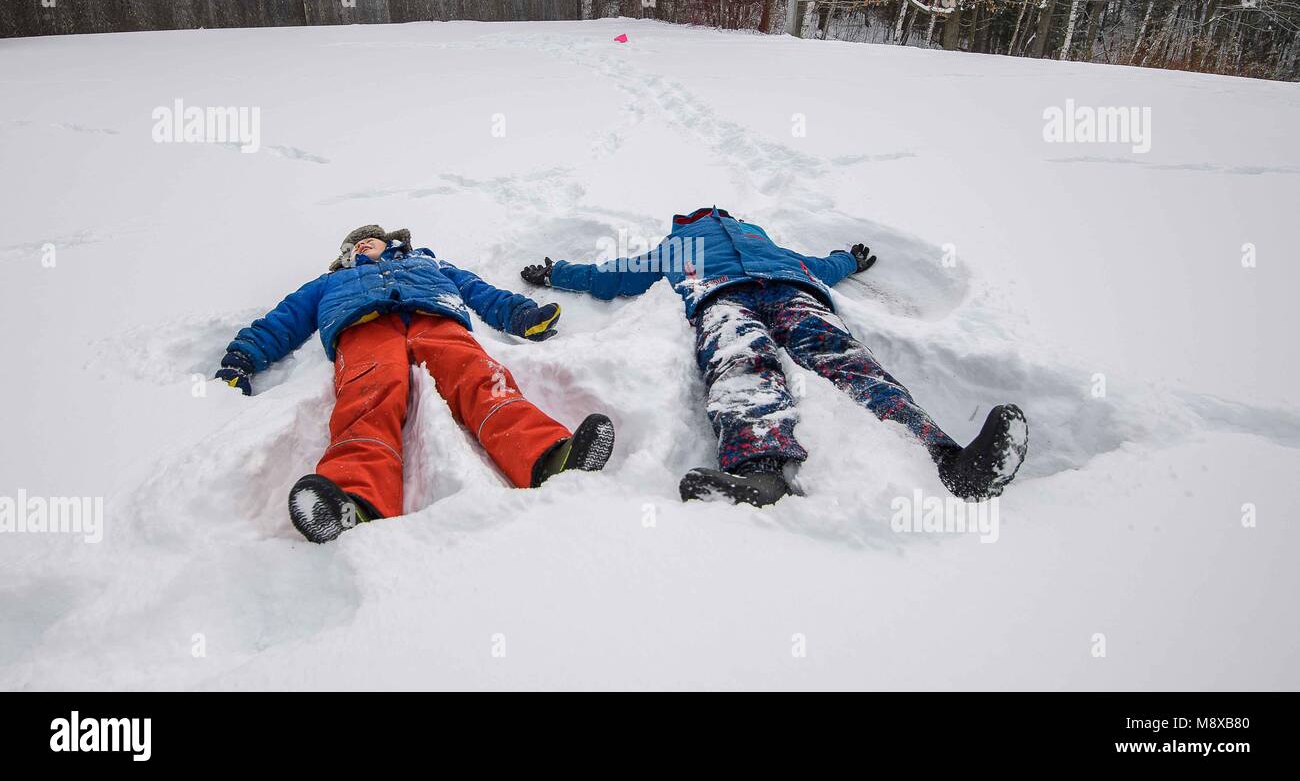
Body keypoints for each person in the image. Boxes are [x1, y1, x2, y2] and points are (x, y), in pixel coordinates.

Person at [521, 207, 1024, 508]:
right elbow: (616, 273)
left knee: (852, 362)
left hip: (792, 289)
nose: (716, 221)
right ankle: (759, 470)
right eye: (702, 220)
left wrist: (849, 259)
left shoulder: (762, 240)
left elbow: (815, 265)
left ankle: (950, 459)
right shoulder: (677, 244)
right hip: (719, 296)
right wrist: (559, 272)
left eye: (721, 219)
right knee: (742, 363)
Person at [217, 225, 615, 543]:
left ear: (389, 242)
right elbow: (285, 318)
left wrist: (522, 314)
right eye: (355, 244)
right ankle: (354, 499)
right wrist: (244, 356)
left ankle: (547, 457)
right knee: (368, 397)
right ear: (346, 256)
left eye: (371, 238)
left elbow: (477, 290)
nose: (363, 244)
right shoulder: (330, 281)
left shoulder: (428, 263)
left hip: (435, 318)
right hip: (363, 328)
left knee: (480, 376)